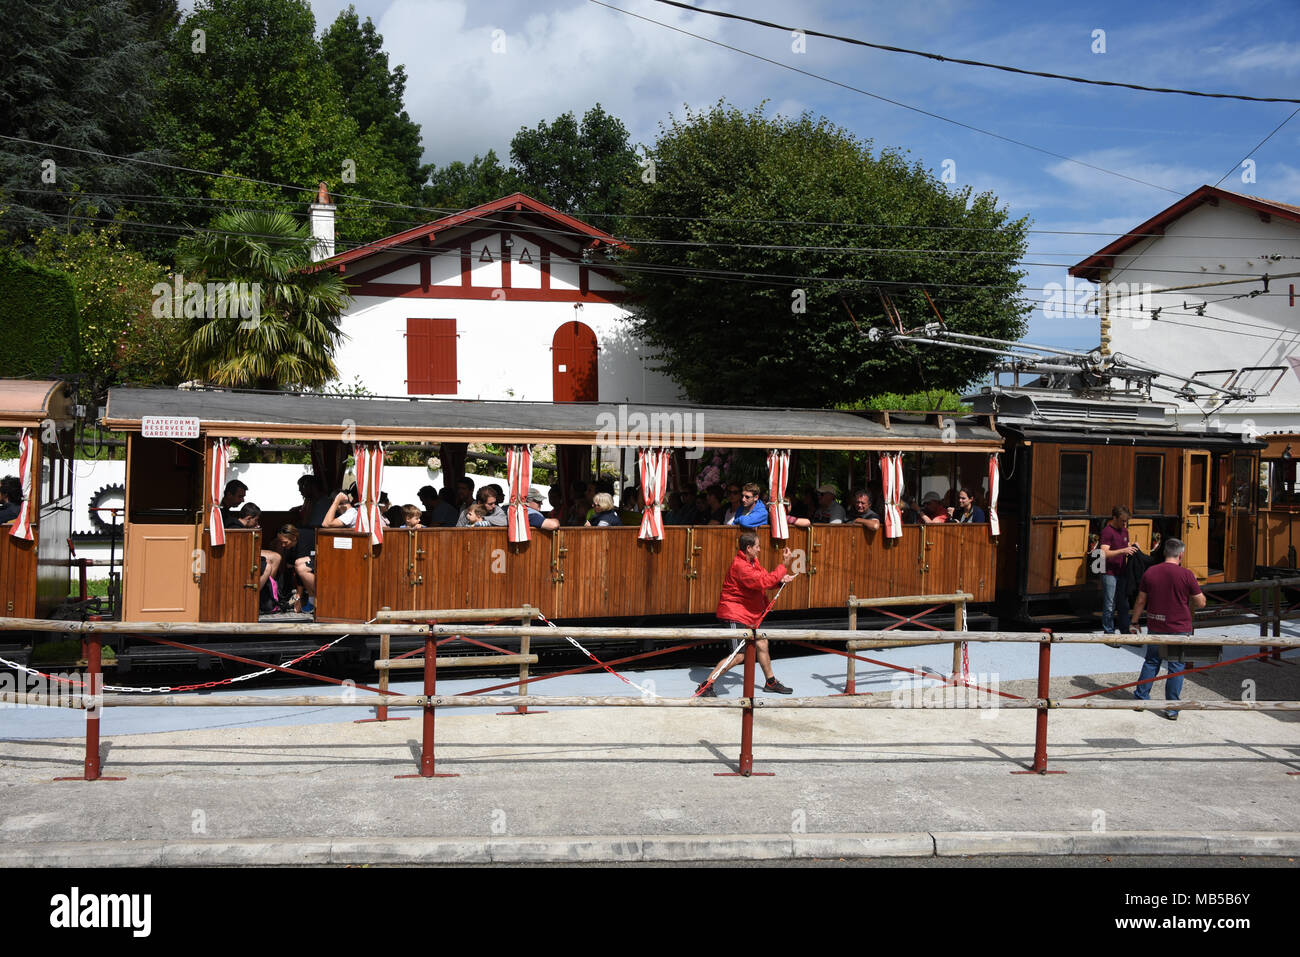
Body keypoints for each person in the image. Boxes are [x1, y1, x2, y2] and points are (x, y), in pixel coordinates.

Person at [696, 530, 795, 696]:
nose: (759, 550)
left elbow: (764, 580)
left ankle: (771, 682)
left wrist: (779, 581)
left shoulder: (752, 561)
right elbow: (763, 580)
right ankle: (706, 685)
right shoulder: (740, 566)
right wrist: (783, 565)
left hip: (747, 614)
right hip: (734, 614)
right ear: (749, 548)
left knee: (762, 643)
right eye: (757, 547)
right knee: (738, 656)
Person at [1129, 537, 1205, 720]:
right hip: (1179, 627)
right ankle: (1172, 708)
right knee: (1176, 667)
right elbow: (1201, 602)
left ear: (1164, 553)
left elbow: (1140, 600)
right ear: (1181, 554)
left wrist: (1134, 622)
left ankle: (1141, 698)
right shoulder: (1187, 574)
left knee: (1151, 662)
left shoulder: (1150, 572)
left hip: (1156, 624)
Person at [1099, 505, 1137, 635]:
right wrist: (1123, 550)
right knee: (1110, 604)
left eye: (1126, 521)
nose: (1124, 523)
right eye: (1122, 520)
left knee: (1123, 604)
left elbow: (1126, 546)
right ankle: (1108, 632)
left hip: (1122, 571)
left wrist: (1132, 548)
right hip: (1109, 573)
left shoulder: (1125, 531)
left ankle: (1124, 631)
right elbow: (1103, 552)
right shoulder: (1107, 532)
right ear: (1114, 518)